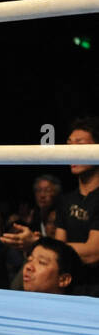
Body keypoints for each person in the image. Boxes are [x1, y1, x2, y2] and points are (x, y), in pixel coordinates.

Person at [52, 118, 99, 295]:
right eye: (69, 145)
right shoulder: (65, 200)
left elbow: (93, 253)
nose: (72, 152)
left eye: (79, 144)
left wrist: (41, 244)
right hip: (70, 288)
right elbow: (57, 252)